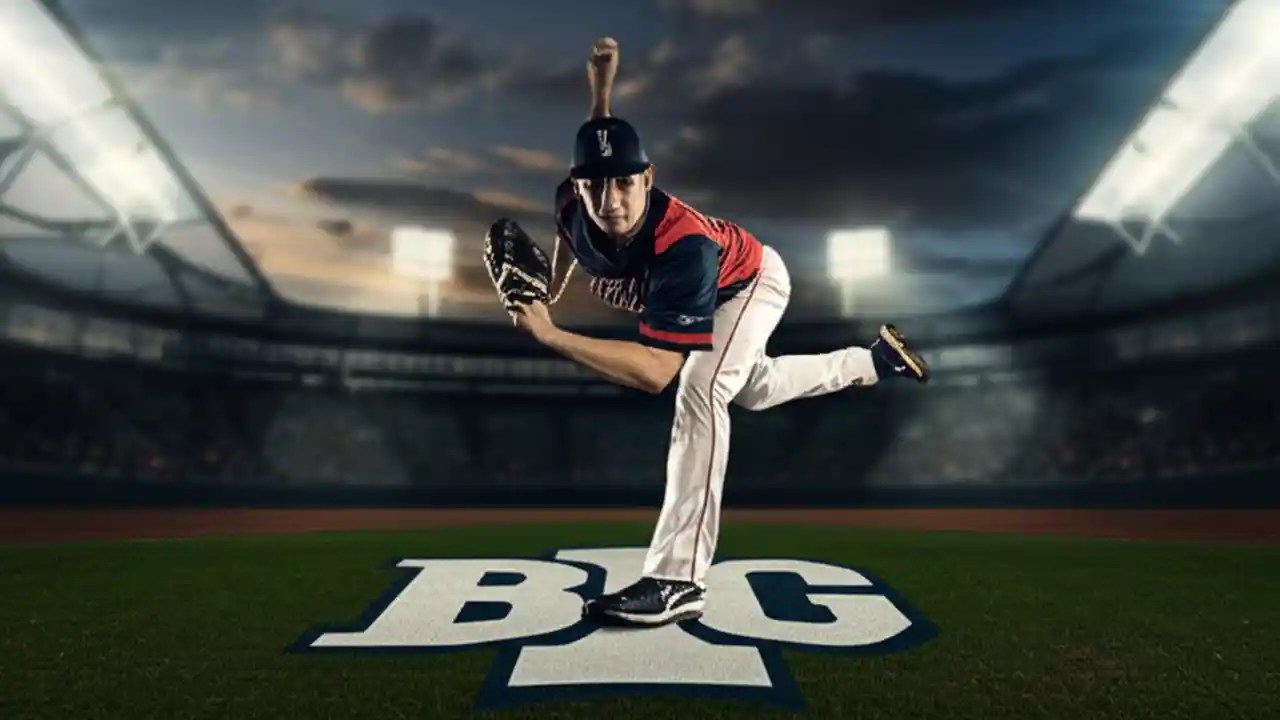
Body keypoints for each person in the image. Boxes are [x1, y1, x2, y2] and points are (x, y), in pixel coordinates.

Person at [510, 37, 929, 628]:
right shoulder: (573, 204)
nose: (611, 200)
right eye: (595, 185)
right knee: (753, 388)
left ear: (648, 178)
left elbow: (656, 372)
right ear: (576, 186)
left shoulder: (683, 246)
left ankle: (678, 578)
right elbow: (594, 161)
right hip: (713, 287)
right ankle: (874, 361)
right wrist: (601, 88)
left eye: (625, 183)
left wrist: (552, 333)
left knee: (700, 391)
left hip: (748, 281)